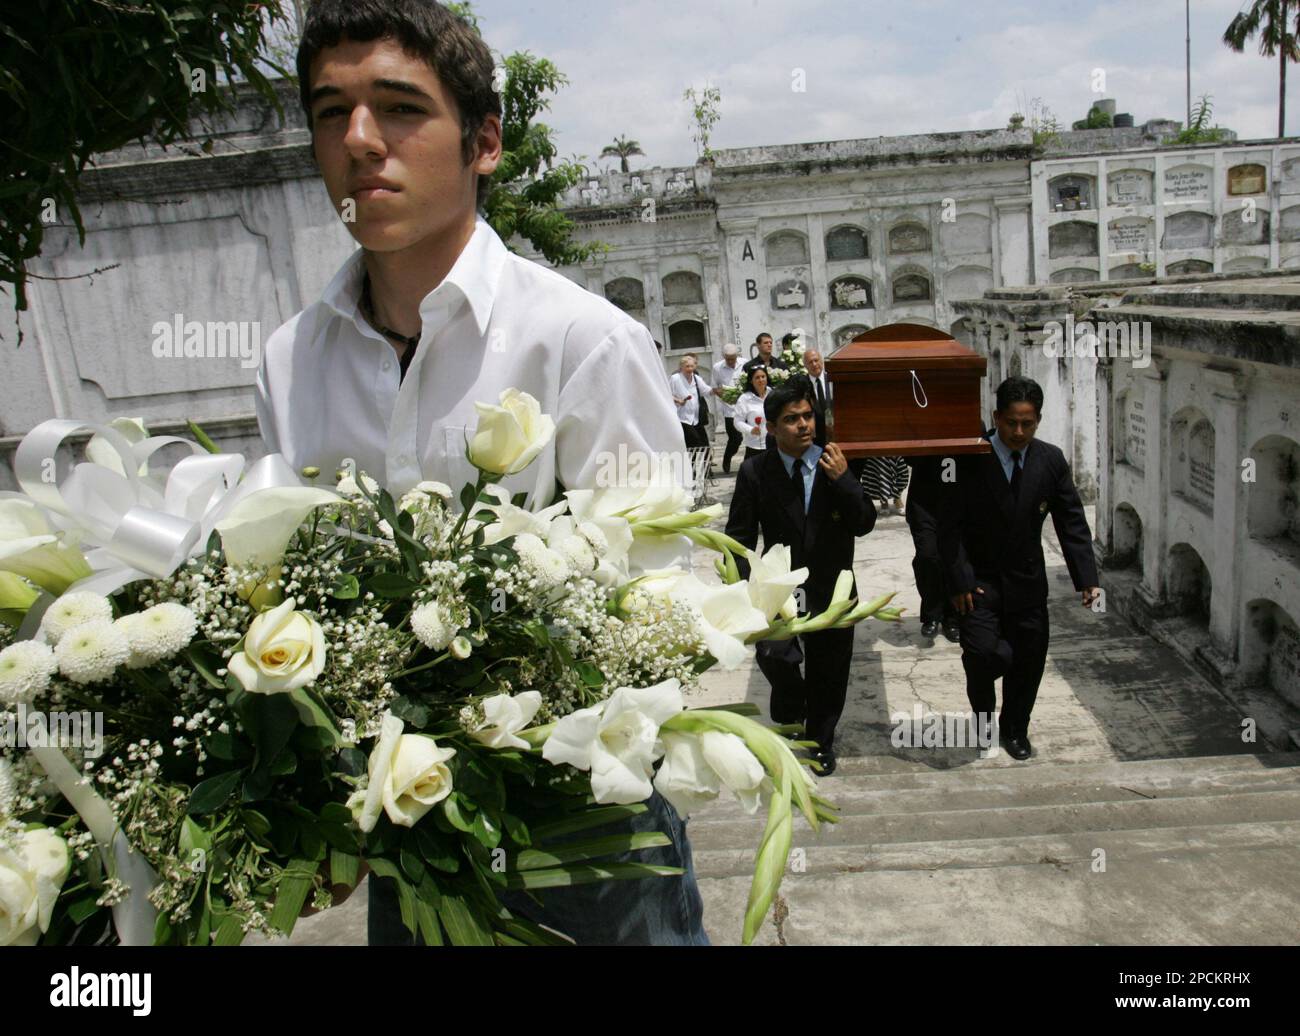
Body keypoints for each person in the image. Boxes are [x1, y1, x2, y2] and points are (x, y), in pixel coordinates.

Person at [258, 0, 706, 945]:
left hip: (589, 849)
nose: (361, 141)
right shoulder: (289, 362)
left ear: (485, 142)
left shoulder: (583, 345)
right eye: (330, 112)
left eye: (400, 107)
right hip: (407, 845)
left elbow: (663, 611)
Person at [938, 376, 1101, 761]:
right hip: (979, 583)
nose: (1018, 431)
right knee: (981, 655)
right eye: (1011, 422)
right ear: (996, 416)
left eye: (1027, 423)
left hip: (1027, 584)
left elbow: (1071, 521)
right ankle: (983, 721)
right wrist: (959, 579)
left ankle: (1015, 729)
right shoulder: (966, 459)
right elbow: (949, 527)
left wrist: (1087, 578)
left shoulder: (1050, 460)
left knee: (1029, 662)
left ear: (1038, 421)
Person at [725, 376, 876, 775]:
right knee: (775, 657)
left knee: (830, 671)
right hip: (781, 589)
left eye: (808, 416)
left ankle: (820, 740)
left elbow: (864, 523)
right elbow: (739, 537)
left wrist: (844, 480)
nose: (804, 425)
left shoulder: (837, 461)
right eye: (792, 419)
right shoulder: (755, 472)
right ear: (771, 427)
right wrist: (740, 591)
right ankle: (791, 705)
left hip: (832, 586)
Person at [905, 455, 960, 643]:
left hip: (955, 501)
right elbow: (908, 457)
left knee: (952, 559)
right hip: (923, 504)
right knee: (927, 556)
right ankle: (932, 614)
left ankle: (952, 617)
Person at [711, 344, 744, 474]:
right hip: (729, 408)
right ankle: (727, 458)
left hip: (744, 406)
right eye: (728, 359)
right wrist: (727, 397)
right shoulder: (717, 368)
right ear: (724, 356)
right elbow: (715, 387)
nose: (731, 362)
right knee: (735, 437)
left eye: (733, 358)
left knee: (748, 436)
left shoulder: (744, 364)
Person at [669, 353, 711, 450]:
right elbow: (666, 394)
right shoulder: (675, 378)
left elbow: (706, 390)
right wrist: (678, 400)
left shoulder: (696, 378)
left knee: (703, 443)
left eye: (692, 366)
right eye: (687, 366)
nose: (690, 369)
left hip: (696, 418)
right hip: (682, 417)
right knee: (695, 441)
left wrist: (718, 391)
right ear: (681, 367)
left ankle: (701, 463)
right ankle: (692, 463)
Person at [733, 365, 771, 460]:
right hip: (754, 446)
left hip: (773, 444)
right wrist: (750, 430)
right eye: (757, 377)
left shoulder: (773, 394)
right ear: (751, 380)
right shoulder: (745, 399)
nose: (761, 380)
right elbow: (737, 422)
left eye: (763, 376)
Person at [803, 347, 831, 447]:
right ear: (805, 365)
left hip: (834, 434)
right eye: (810, 362)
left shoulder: (832, 378)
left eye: (816, 360)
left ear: (822, 361)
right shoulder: (803, 384)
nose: (814, 364)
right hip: (813, 439)